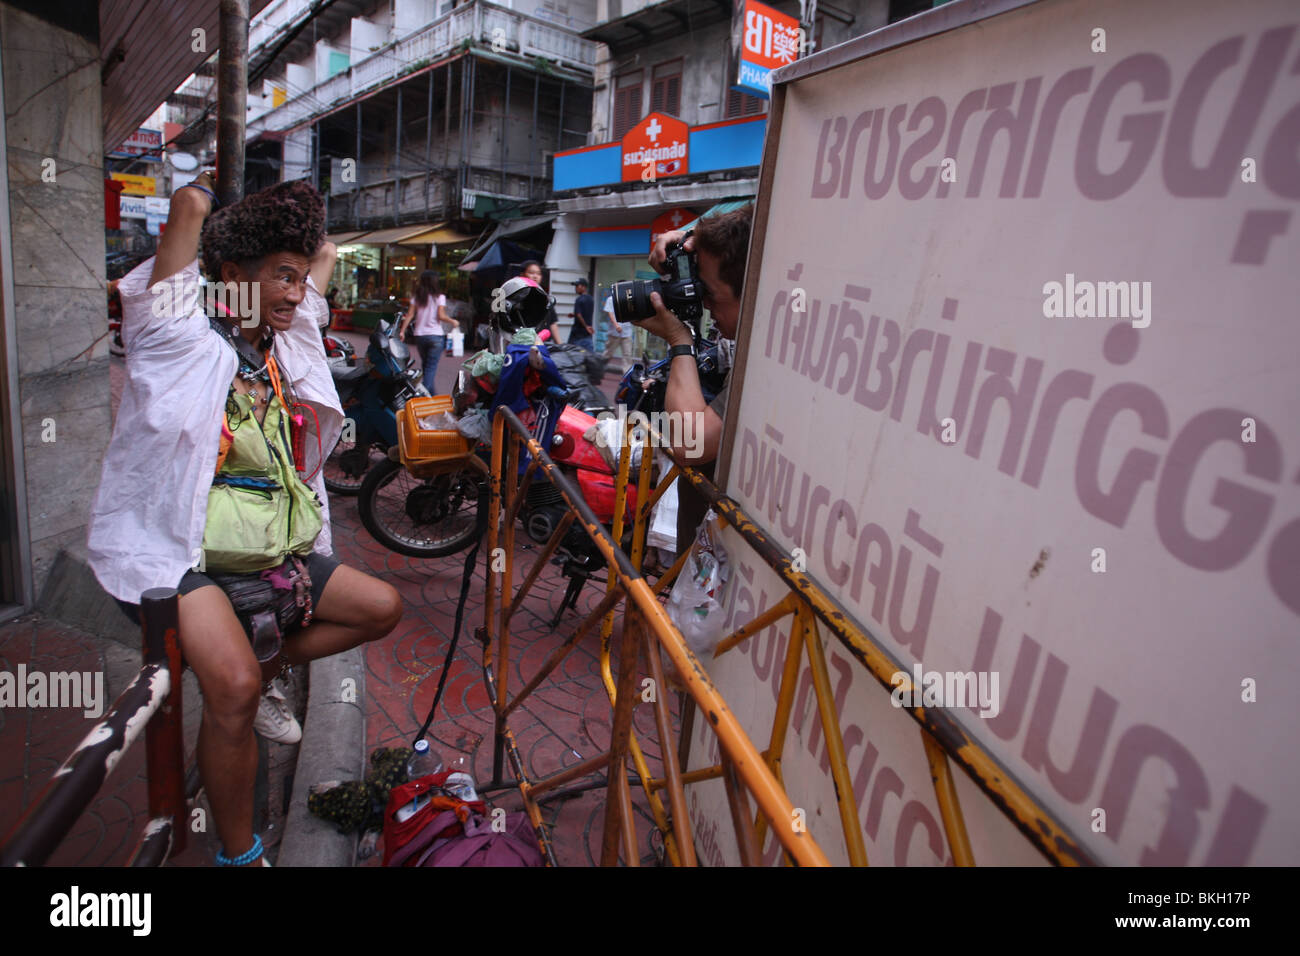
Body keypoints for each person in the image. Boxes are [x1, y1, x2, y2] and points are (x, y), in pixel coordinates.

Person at [87, 173, 403, 867]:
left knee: (381, 606)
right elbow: (189, 214)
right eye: (281, 277)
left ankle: (263, 665)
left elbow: (316, 269)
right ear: (232, 273)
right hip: (181, 552)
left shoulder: (287, 343)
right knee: (229, 688)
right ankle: (240, 854)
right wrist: (204, 203)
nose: (296, 292)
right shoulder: (179, 338)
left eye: (300, 279)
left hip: (270, 547)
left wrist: (302, 248)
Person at [636, 204, 753, 552]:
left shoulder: (763, 360)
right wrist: (689, 235)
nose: (703, 305)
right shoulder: (741, 342)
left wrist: (679, 340)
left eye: (710, 294)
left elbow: (690, 442)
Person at [397, 270, 458, 393]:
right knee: (430, 367)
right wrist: (452, 321)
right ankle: (421, 394)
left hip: (420, 336)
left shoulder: (417, 297)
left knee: (427, 367)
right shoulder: (439, 297)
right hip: (436, 337)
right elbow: (441, 316)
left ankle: (433, 396)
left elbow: (409, 315)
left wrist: (402, 331)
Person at [521, 260, 560, 341]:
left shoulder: (546, 298)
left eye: (538, 274)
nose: (535, 276)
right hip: (524, 344)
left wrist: (560, 345)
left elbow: (553, 323)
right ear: (522, 274)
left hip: (545, 345)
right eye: (531, 273)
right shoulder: (517, 297)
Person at [600, 290, 634, 370]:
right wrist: (616, 325)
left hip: (627, 332)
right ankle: (599, 369)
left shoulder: (630, 299)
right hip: (614, 333)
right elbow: (610, 313)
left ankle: (627, 377)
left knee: (627, 355)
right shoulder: (611, 299)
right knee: (608, 353)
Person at [569, 278, 595, 351]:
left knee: (571, 354)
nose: (576, 288)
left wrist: (585, 326)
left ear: (584, 287)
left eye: (577, 286)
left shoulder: (579, 299)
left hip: (577, 334)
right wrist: (574, 315)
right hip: (588, 334)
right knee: (589, 356)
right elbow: (584, 313)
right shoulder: (591, 299)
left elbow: (579, 315)